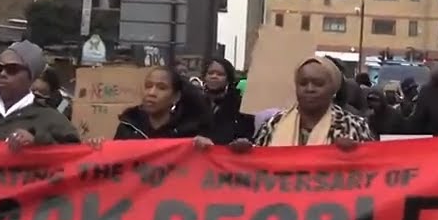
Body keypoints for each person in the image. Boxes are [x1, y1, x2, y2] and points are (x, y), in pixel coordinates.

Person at [0, 41, 80, 147]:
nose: (2, 74)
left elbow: (74, 158)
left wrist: (38, 143)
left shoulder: (52, 120)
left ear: (31, 77)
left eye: (12, 69)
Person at [233, 56, 376, 149]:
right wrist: (245, 152)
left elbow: (372, 169)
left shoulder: (354, 126)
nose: (309, 89)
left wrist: (355, 153)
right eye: (303, 83)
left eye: (318, 84)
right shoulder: (274, 123)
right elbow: (259, 167)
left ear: (333, 89)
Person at [108, 66, 214, 141]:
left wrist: (207, 149)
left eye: (161, 88)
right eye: (148, 86)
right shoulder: (129, 126)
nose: (151, 93)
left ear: (176, 97)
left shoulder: (190, 132)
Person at [200, 57, 254, 144]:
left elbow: (248, 133)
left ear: (228, 79)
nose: (214, 76)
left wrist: (243, 142)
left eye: (220, 74)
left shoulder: (240, 104)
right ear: (204, 77)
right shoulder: (195, 103)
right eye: (210, 73)